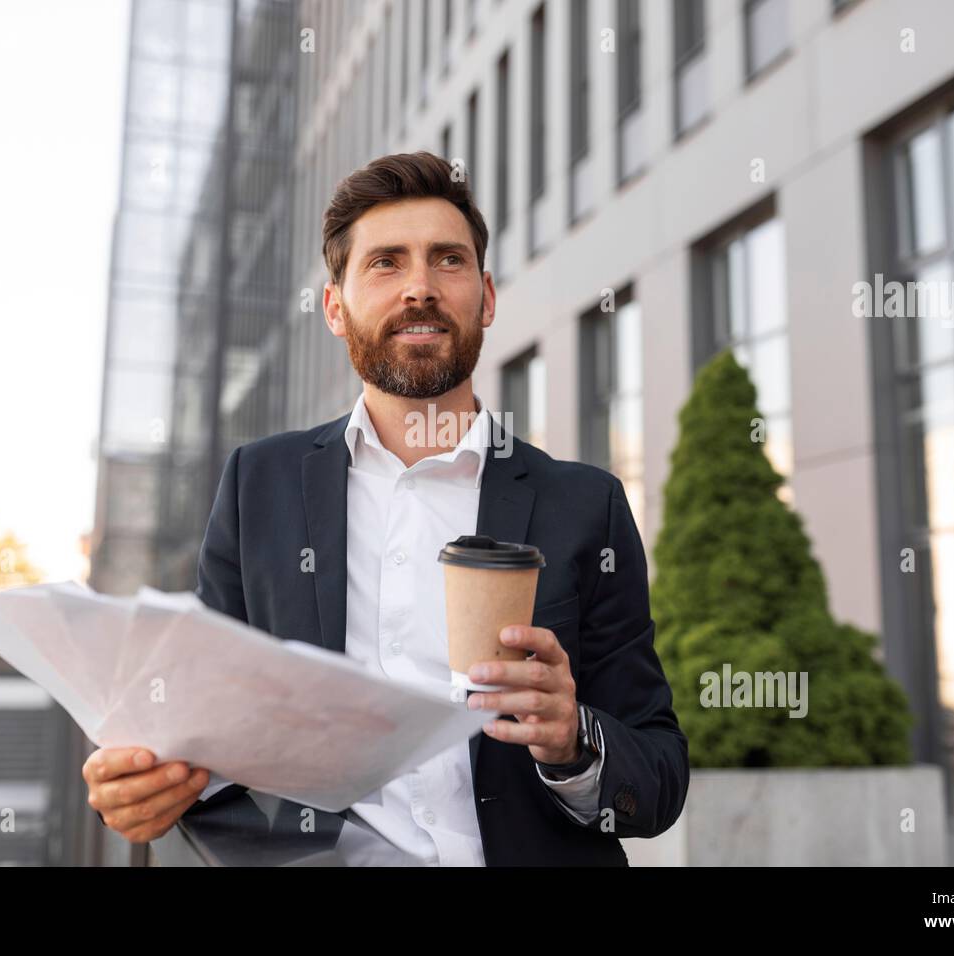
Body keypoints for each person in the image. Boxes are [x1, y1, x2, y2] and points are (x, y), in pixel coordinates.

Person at [85, 151, 689, 865]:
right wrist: (154, 784)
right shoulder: (258, 485)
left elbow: (657, 779)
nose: (420, 288)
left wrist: (573, 738)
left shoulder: (586, 505)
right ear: (334, 309)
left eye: (448, 260)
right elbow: (208, 729)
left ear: (487, 299)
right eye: (385, 263)